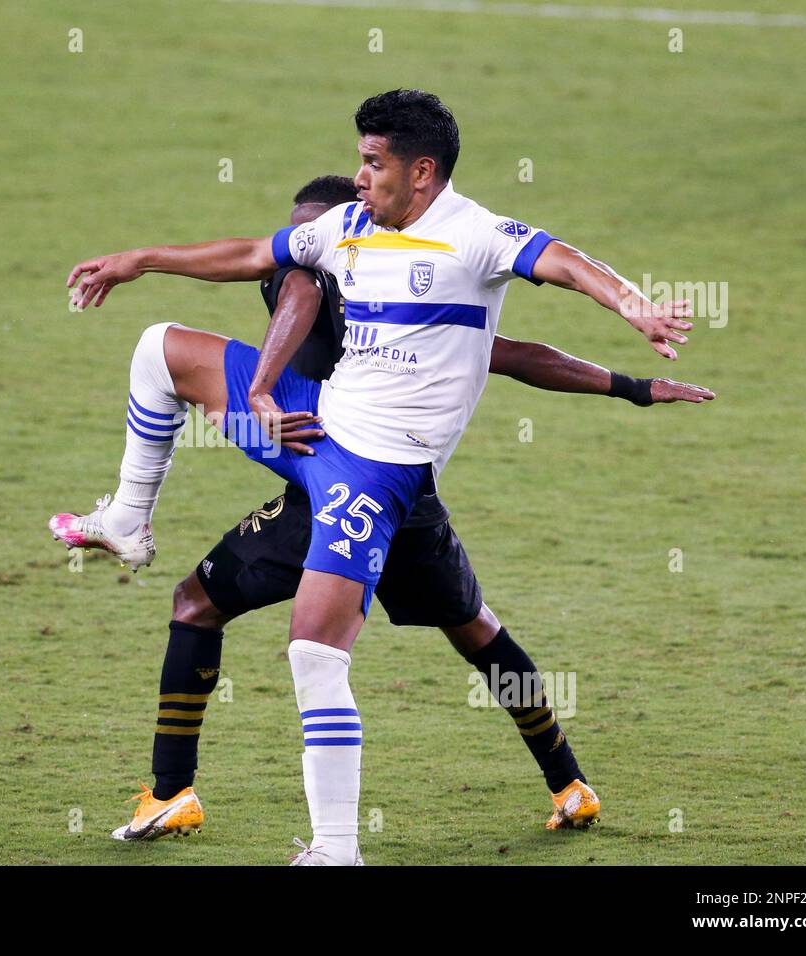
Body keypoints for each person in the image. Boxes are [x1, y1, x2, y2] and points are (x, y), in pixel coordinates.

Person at [54, 90, 697, 864]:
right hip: (314, 424)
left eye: (373, 162)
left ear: (421, 172)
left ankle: (338, 850)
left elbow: (565, 267)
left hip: (378, 476)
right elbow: (258, 255)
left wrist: (639, 313)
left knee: (330, 649)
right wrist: (139, 261)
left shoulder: (477, 237)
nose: (358, 176)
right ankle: (128, 518)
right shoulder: (348, 227)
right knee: (161, 348)